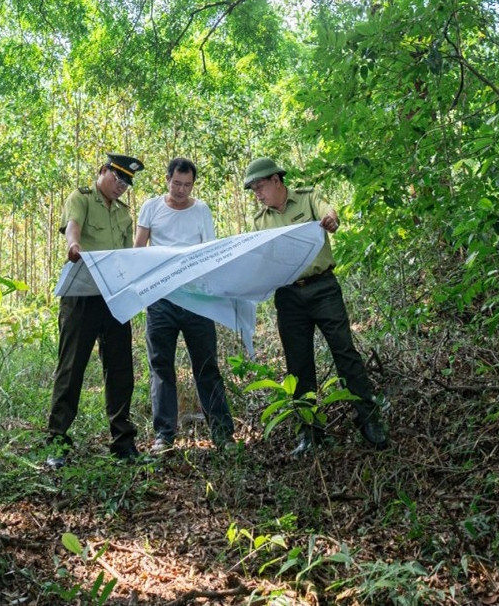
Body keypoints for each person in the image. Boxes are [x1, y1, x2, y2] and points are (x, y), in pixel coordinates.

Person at [243, 156, 388, 455]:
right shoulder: (260, 221)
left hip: (323, 289)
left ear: (276, 180)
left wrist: (331, 220)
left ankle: (369, 419)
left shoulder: (308, 198)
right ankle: (309, 433)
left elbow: (329, 214)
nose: (257, 194)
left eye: (260, 186)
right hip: (288, 297)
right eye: (252, 189)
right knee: (298, 365)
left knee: (344, 352)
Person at [44, 152, 146, 466]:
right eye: (117, 179)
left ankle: (123, 443)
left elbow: (129, 255)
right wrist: (72, 246)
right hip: (82, 297)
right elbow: (73, 228)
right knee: (71, 368)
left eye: (127, 183)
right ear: (102, 171)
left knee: (120, 369)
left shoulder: (125, 214)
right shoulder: (82, 198)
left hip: (114, 296)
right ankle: (57, 443)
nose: (121, 187)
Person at [135, 157, 234, 452]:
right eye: (176, 183)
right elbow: (139, 251)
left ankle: (222, 434)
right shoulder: (150, 207)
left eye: (187, 185)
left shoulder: (201, 210)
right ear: (167, 179)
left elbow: (210, 253)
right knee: (161, 366)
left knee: (206, 366)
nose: (181, 190)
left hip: (197, 300)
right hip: (161, 300)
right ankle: (164, 435)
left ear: (193, 184)